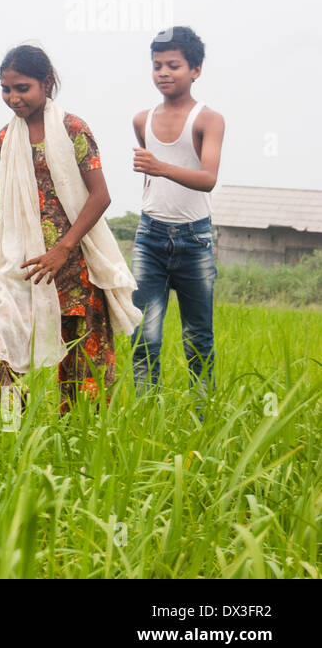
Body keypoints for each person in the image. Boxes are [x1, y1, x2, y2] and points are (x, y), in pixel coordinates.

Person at [0, 45, 141, 414]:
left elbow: (100, 196)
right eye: (6, 89)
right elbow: (12, 204)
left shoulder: (73, 129)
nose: (13, 98)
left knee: (82, 368)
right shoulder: (6, 138)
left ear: (46, 83)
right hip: (27, 265)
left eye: (22, 88)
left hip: (75, 265)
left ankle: (80, 444)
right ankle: (11, 423)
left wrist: (63, 248)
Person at [130, 26, 224, 399]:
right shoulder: (142, 119)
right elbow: (150, 178)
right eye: (157, 66)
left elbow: (208, 178)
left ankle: (203, 416)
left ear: (196, 70)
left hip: (194, 239)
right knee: (144, 335)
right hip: (149, 236)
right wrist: (157, 173)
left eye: (173, 65)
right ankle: (144, 415)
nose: (164, 73)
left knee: (198, 337)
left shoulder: (208, 119)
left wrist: (160, 167)